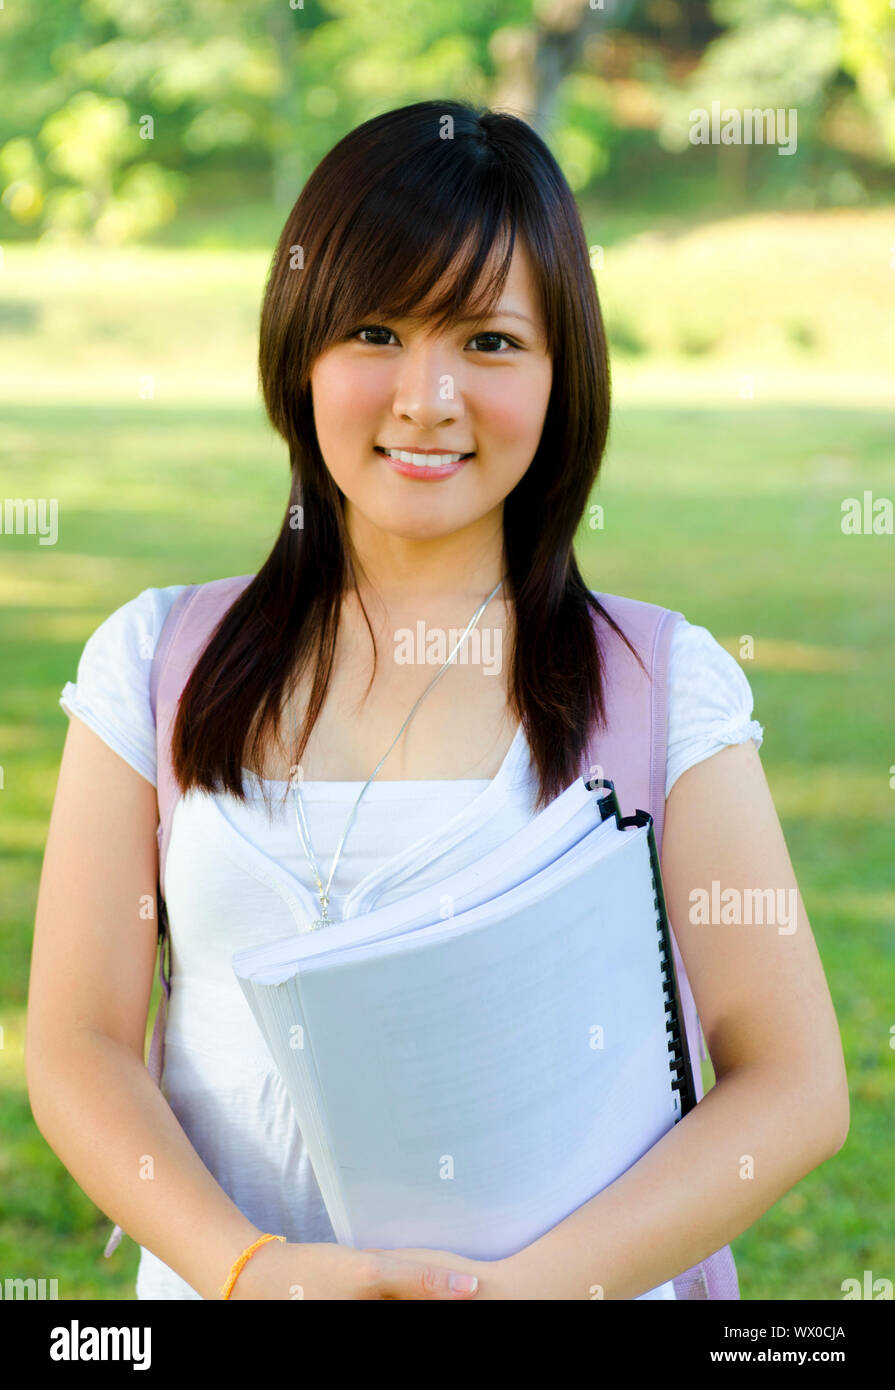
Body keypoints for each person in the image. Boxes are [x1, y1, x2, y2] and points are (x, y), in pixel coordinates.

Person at [26, 99, 848, 1301]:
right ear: (300, 352)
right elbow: (78, 1046)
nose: (427, 397)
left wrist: (530, 1289)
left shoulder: (663, 684)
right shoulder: (154, 661)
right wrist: (257, 1272)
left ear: (562, 374)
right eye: (375, 331)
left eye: (489, 341)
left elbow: (793, 1084)